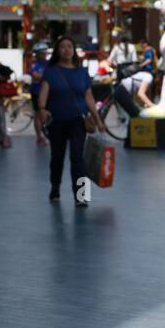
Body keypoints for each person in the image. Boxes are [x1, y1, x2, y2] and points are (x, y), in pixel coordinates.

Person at [37, 36, 103, 206]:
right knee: (57, 157)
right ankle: (55, 185)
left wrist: (98, 119)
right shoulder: (51, 71)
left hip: (78, 121)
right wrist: (42, 109)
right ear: (57, 51)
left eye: (69, 46)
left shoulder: (82, 72)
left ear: (74, 50)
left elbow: (89, 97)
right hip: (57, 121)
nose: (66, 49)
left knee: (78, 158)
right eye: (62, 47)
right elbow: (44, 92)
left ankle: (82, 196)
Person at [27, 41, 51, 146]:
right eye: (42, 52)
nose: (44, 54)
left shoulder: (49, 64)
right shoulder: (33, 64)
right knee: (37, 114)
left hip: (49, 92)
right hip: (37, 91)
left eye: (45, 52)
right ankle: (39, 136)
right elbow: (35, 76)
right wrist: (48, 78)